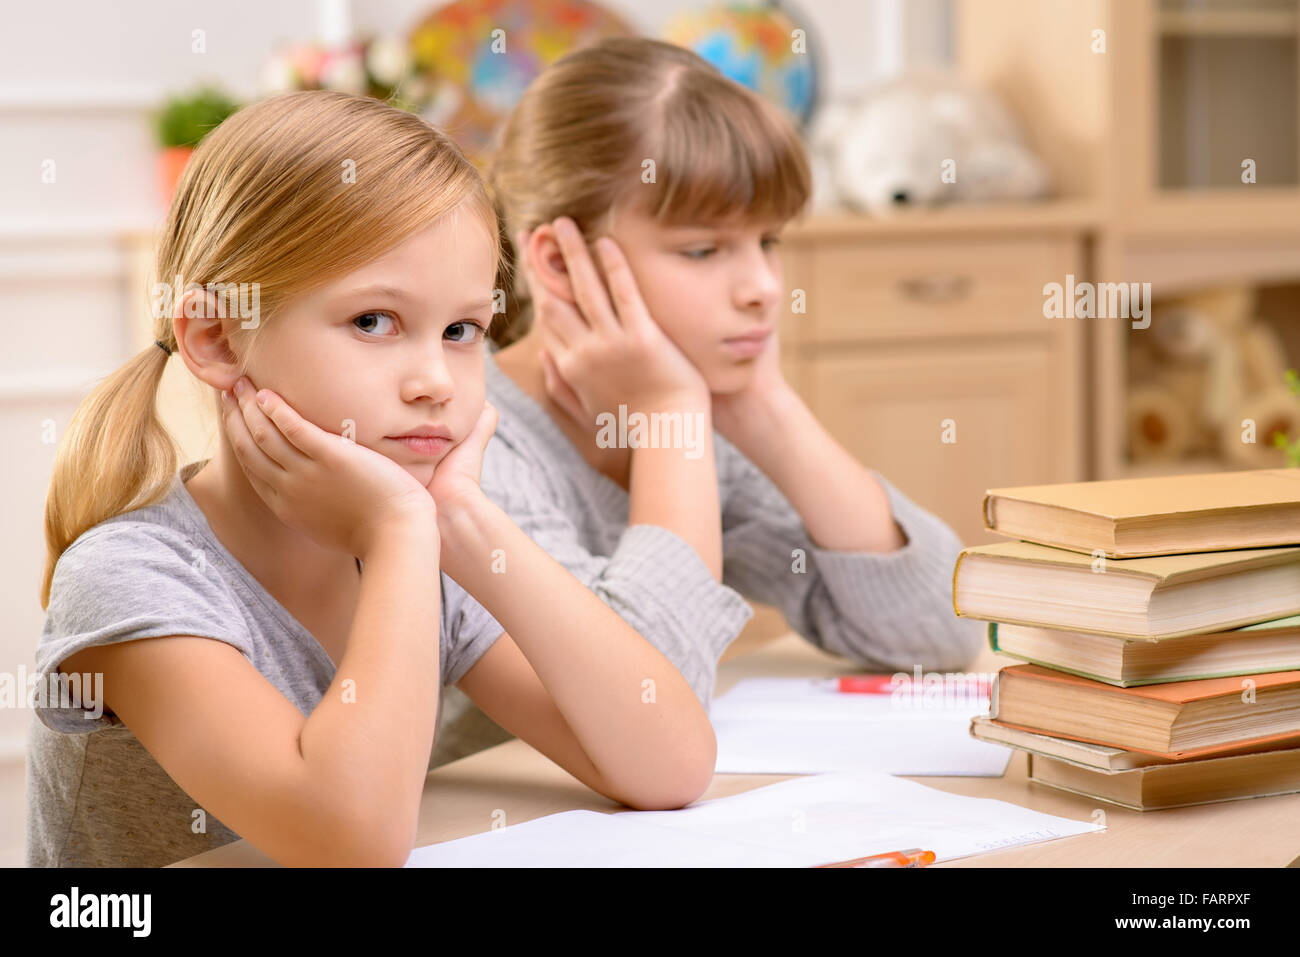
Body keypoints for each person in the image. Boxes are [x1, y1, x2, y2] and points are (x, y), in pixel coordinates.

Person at [29, 90, 716, 867]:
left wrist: (462, 517)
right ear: (218, 338)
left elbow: (670, 764)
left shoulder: (424, 548)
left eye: (461, 330)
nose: (434, 380)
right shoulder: (133, 576)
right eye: (373, 322)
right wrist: (398, 533)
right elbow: (351, 841)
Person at [433, 37, 983, 757]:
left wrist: (765, 406)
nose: (761, 287)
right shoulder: (471, 449)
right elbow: (656, 711)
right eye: (703, 250)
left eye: (768, 240)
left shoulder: (707, 421)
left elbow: (941, 632)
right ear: (558, 262)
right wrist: (668, 417)